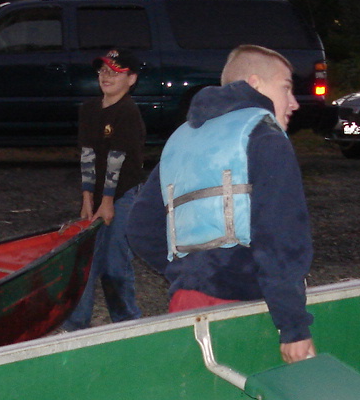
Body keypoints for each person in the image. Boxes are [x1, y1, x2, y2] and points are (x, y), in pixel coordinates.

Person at [127, 44, 315, 363]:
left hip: (187, 302)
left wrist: (189, 270)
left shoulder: (183, 138)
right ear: (255, 84)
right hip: (247, 304)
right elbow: (281, 237)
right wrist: (293, 326)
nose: (294, 103)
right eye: (286, 88)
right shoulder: (264, 135)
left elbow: (141, 228)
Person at [60, 49, 146, 331]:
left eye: (115, 71)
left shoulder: (127, 112)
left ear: (131, 79)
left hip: (121, 196)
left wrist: (107, 201)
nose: (106, 76)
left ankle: (126, 324)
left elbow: (117, 160)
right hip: (96, 197)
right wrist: (87, 198)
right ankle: (76, 327)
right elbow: (87, 154)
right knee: (84, 262)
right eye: (103, 71)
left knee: (114, 264)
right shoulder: (89, 110)